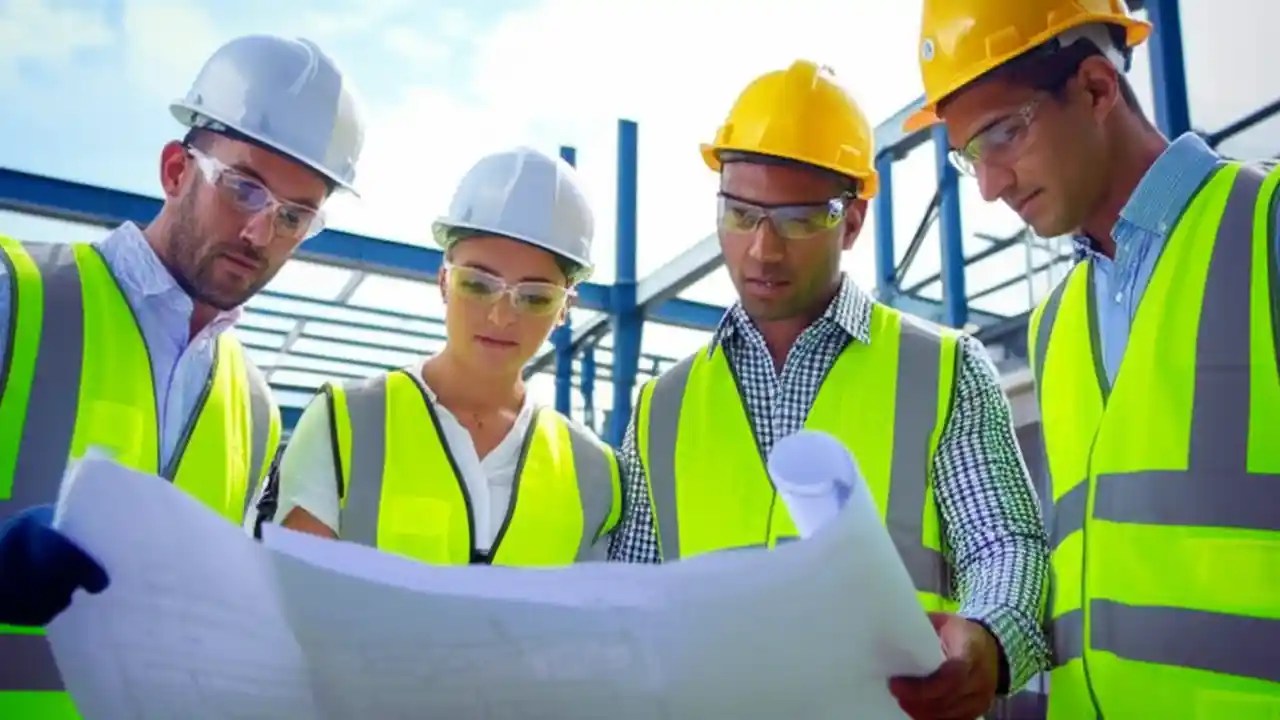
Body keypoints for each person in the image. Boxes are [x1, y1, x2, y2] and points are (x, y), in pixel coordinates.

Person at [608, 59, 1050, 719]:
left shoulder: (944, 369)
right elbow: (633, 604)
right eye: (739, 212)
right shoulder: (659, 409)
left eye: (796, 220)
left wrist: (986, 638)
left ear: (852, 221)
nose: (762, 250)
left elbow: (1003, 543)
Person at [908, 1, 1280, 717]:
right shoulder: (1055, 324)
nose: (990, 185)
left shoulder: (1266, 227)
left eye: (1003, 134)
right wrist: (988, 642)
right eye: (970, 157)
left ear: (1096, 88)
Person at [0, 33, 366, 718]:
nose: (262, 233)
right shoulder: (17, 296)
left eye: (294, 216)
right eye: (244, 188)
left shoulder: (254, 407)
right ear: (175, 170)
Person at [252, 146, 622, 567]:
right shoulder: (345, 424)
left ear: (564, 310)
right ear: (443, 281)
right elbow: (295, 602)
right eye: (478, 285)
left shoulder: (594, 471)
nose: (501, 316)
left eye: (535, 297)